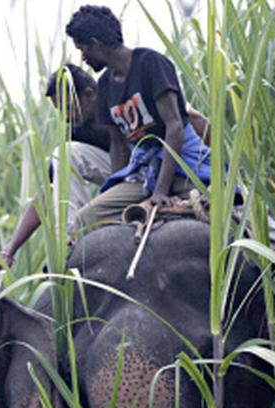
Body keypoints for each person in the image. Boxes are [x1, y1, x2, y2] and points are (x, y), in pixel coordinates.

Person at [66, 5, 213, 236]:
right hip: (144, 173)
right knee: (87, 218)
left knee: (223, 207)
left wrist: (160, 192)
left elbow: (174, 127)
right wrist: (117, 186)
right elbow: (118, 144)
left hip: (184, 164)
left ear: (95, 43)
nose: (82, 57)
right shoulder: (105, 84)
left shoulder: (151, 63)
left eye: (82, 49)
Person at [0, 64, 112, 269]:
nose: (66, 116)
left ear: (89, 94)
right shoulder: (75, 132)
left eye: (69, 107)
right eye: (61, 111)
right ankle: (75, 239)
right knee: (65, 155)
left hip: (142, 169)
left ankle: (73, 236)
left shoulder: (116, 102)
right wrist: (10, 251)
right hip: (117, 175)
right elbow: (47, 194)